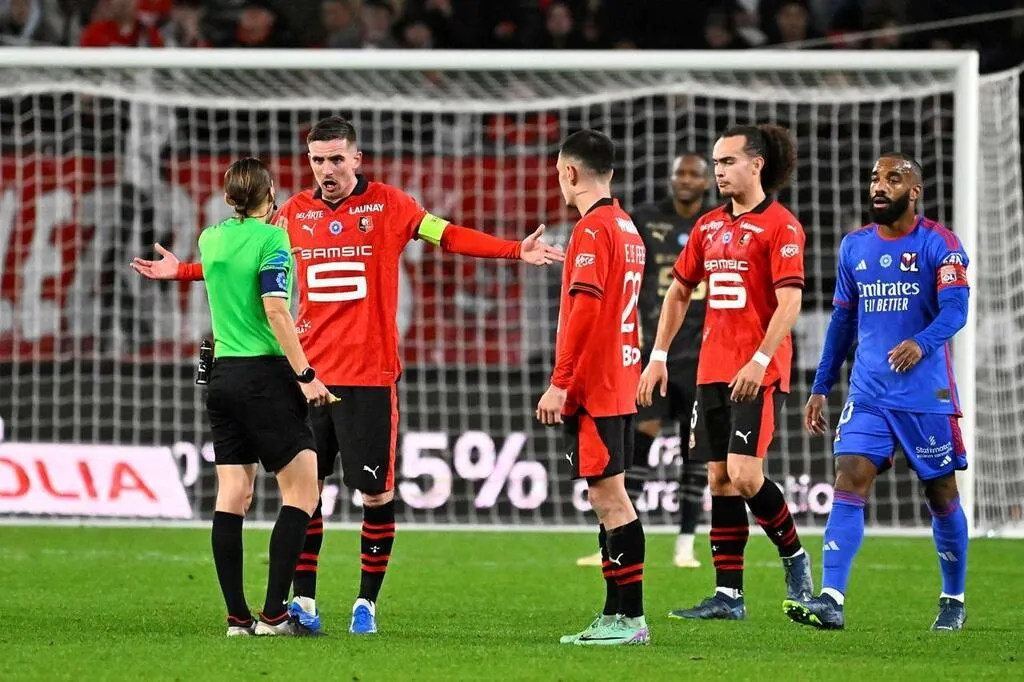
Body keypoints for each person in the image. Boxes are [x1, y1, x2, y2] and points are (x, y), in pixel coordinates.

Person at [131, 116, 564, 635]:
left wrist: (514, 249)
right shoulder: (291, 214)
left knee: (374, 495)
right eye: (318, 160)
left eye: (337, 158)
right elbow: (240, 265)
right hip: (306, 378)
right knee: (305, 494)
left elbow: (446, 235)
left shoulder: (390, 205)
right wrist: (181, 271)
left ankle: (366, 603)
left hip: (369, 376)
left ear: (356, 159)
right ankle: (304, 602)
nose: (327, 169)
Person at [787, 153, 970, 631]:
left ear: (915, 192)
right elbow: (842, 321)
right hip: (868, 392)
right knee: (850, 474)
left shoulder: (941, 244)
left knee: (941, 493)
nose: (879, 186)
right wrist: (821, 385)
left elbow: (956, 311)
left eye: (893, 179)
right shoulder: (854, 246)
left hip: (925, 396)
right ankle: (831, 599)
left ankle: (953, 598)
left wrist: (921, 343)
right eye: (874, 178)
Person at [638, 124, 813, 621]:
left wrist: (760, 359)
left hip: (757, 370)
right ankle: (728, 595)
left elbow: (790, 301)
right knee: (718, 479)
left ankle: (795, 558)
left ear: (756, 165)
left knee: (744, 474)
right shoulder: (709, 226)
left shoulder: (782, 226)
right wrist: (658, 355)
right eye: (716, 162)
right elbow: (678, 291)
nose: (719, 171)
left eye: (728, 161)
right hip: (710, 368)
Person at [200, 157, 329, 637]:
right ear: (270, 194)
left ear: (229, 197)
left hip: (222, 376)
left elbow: (222, 277)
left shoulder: (210, 239)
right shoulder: (274, 239)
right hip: (264, 377)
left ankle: (238, 619)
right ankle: (275, 614)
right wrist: (306, 373)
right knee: (304, 491)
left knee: (233, 494)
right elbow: (276, 310)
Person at [537, 129, 650, 646]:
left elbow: (585, 309)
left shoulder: (592, 229)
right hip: (619, 378)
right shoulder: (627, 227)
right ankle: (613, 614)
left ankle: (631, 619)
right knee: (608, 497)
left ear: (570, 172)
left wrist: (560, 383)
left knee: (610, 500)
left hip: (595, 385)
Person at [577, 153, 710, 570]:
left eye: (693, 174)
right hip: (655, 351)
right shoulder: (646, 219)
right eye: (679, 173)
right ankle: (615, 536)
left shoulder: (713, 224)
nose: (685, 180)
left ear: (705, 182)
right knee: (639, 440)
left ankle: (686, 544)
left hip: (701, 354)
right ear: (670, 178)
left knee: (695, 451)